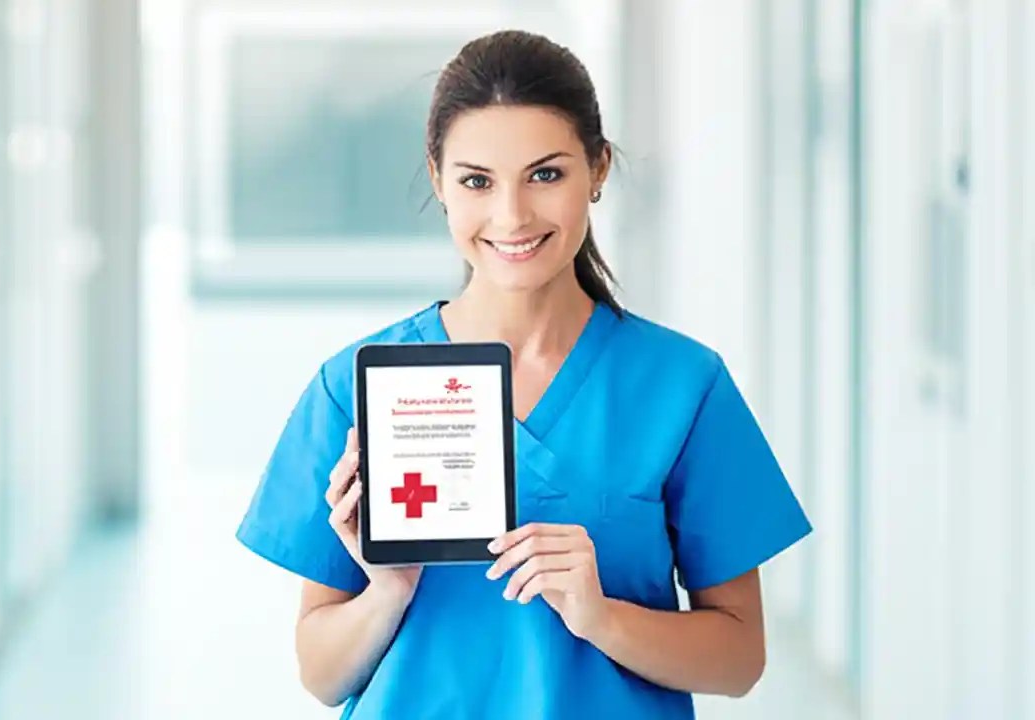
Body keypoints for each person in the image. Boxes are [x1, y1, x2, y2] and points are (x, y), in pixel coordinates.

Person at [235, 28, 812, 719]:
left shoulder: (681, 388)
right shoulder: (355, 390)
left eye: (546, 174)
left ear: (597, 170)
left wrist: (602, 617)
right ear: (438, 181)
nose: (511, 216)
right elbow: (322, 677)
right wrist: (388, 588)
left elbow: (740, 659)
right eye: (477, 181)